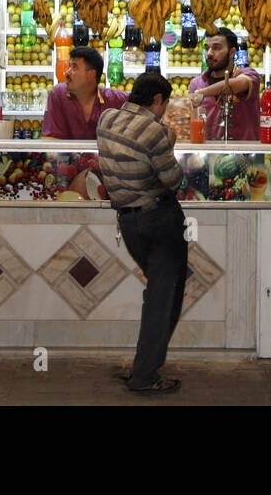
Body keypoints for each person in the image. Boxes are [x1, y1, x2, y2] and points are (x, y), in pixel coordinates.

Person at [96, 70, 186, 393]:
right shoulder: (154, 131)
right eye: (165, 103)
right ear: (157, 99)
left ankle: (144, 364)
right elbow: (173, 180)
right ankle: (145, 374)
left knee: (164, 289)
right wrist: (170, 145)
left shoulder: (106, 119)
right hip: (158, 219)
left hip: (128, 222)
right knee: (163, 296)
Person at [188, 27, 261, 141]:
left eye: (216, 48)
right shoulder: (196, 83)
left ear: (232, 53)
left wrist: (201, 93)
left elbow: (233, 85)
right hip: (209, 155)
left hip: (244, 156)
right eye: (207, 48)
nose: (209, 53)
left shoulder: (249, 75)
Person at [41, 45, 127, 140]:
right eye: (69, 67)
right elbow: (50, 141)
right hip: (66, 155)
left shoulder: (115, 99)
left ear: (91, 75)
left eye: (74, 67)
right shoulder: (58, 94)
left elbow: (142, 99)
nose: (67, 72)